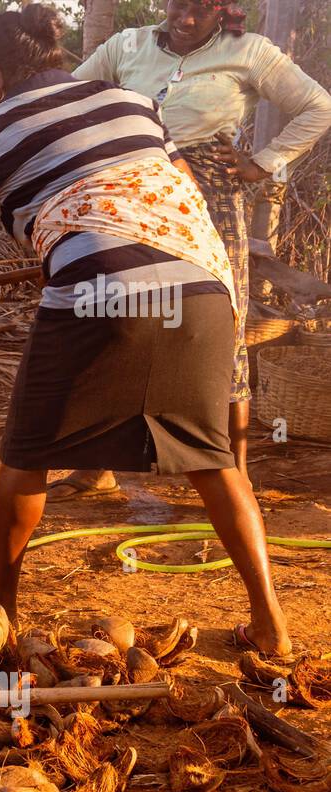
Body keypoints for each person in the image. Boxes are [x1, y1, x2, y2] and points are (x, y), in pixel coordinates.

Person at [0, 4, 291, 655]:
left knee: (24, 456)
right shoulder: (133, 103)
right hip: (204, 286)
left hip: (102, 282)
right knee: (212, 461)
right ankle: (271, 626)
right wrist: (68, 243)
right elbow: (171, 192)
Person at [49, 0, 331, 501]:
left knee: (222, 322)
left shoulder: (250, 51)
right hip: (130, 195)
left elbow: (318, 107)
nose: (185, 20)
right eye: (178, 6)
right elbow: (71, 97)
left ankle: (234, 475)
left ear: (222, 11)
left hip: (209, 197)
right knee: (115, 320)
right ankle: (98, 465)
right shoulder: (126, 46)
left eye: (200, 11)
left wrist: (263, 163)